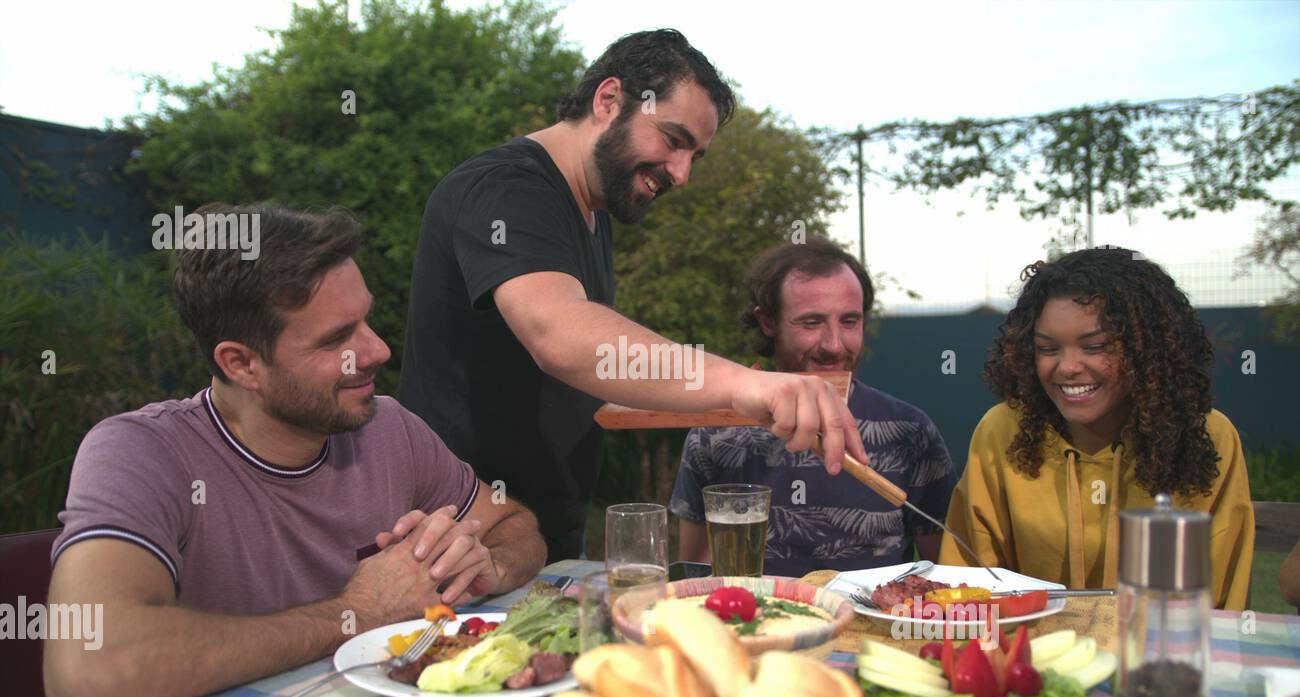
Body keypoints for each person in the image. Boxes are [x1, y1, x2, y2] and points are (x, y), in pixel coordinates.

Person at [44, 204, 547, 697]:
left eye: (366, 320)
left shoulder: (388, 427)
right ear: (240, 364)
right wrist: (355, 614)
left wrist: (490, 566)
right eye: (336, 339)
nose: (376, 349)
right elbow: (89, 674)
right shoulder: (140, 453)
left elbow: (517, 526)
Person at [398, 30, 868, 562]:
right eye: (672, 138)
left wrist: (732, 396)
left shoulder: (590, 214)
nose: (682, 173)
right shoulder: (510, 188)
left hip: (535, 544)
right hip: (459, 543)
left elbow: (596, 369)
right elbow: (560, 334)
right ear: (608, 100)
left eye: (695, 154)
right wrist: (738, 384)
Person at [939, 247, 1254, 608]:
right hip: (1030, 655)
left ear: (1146, 349)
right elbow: (969, 584)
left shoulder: (1208, 436)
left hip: (1163, 657)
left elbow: (1220, 603)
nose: (1068, 367)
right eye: (1048, 348)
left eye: (1095, 346)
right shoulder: (1002, 432)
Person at [669, 238, 957, 578]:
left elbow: (945, 577)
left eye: (849, 322)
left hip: (874, 628)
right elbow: (696, 574)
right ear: (767, 322)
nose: (834, 345)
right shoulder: (716, 432)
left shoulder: (910, 431)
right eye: (811, 323)